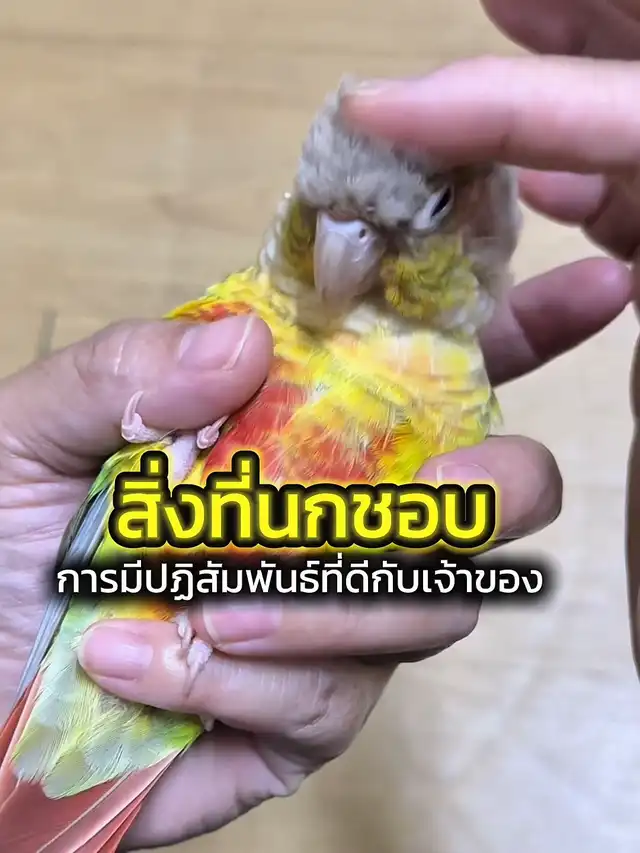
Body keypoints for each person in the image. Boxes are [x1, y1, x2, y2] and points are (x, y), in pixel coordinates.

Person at [0, 0, 638, 847]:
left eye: (430, 210)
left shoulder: (460, 417)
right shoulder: (241, 322)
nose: (343, 247)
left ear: (485, 215)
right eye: (321, 208)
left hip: (184, 674)